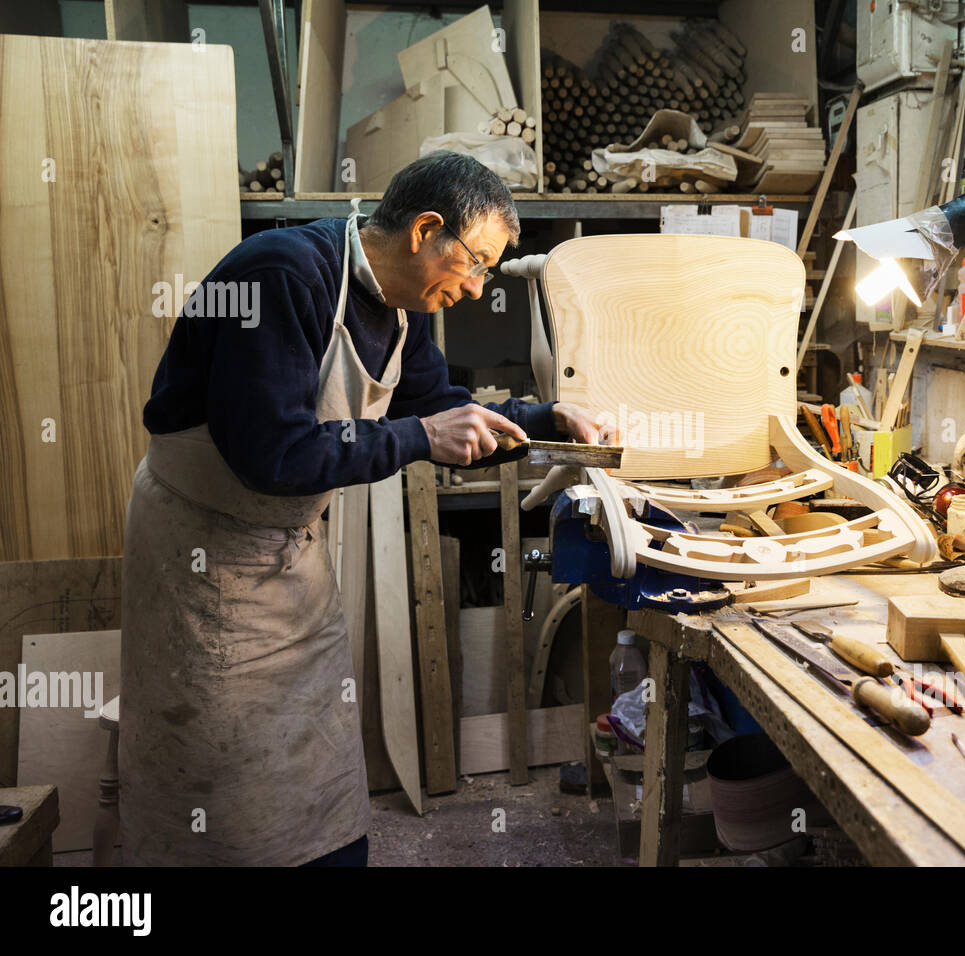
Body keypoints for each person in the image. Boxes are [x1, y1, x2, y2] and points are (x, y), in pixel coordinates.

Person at [118, 152, 610, 865]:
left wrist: (547, 421)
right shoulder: (284, 277)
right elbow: (272, 455)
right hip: (207, 559)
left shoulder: (397, 306)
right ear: (424, 231)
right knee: (218, 792)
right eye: (473, 263)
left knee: (315, 781)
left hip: (290, 557)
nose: (476, 289)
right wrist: (416, 438)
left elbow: (440, 410)